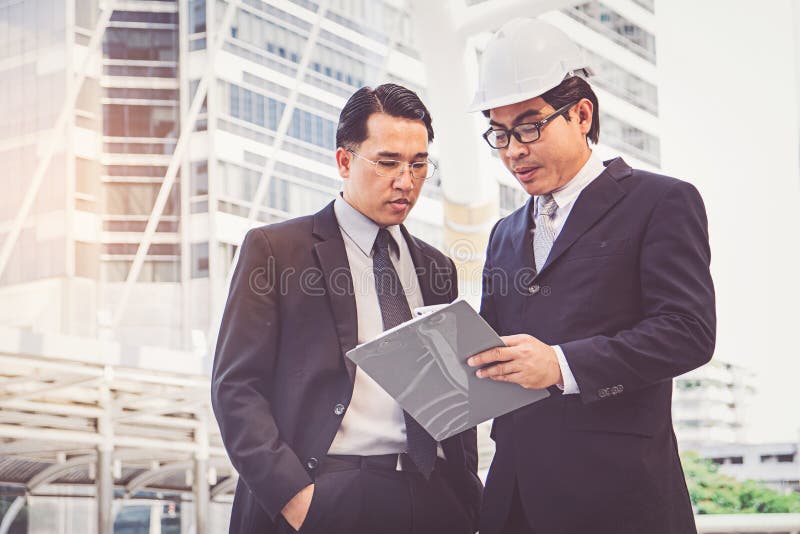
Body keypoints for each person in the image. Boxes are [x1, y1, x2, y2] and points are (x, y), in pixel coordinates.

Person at [465, 19, 716, 534]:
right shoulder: (503, 234)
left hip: (617, 498)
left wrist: (560, 365)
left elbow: (688, 332)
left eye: (529, 126)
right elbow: (500, 351)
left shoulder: (661, 202)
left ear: (581, 114)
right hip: (512, 498)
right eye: (500, 132)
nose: (513, 149)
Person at [211, 83, 482, 534]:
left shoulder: (437, 268)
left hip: (434, 497)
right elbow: (236, 389)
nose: (405, 181)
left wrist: (465, 495)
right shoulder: (276, 250)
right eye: (388, 162)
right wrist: (297, 501)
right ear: (344, 161)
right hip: (328, 491)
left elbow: (450, 398)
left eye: (418, 165)